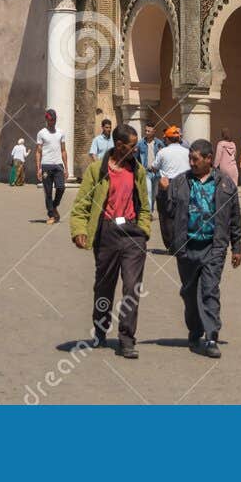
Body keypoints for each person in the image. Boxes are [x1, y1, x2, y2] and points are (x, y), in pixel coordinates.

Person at [70, 125, 151, 358]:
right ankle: (100, 328)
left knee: (132, 287)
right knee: (104, 286)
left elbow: (144, 205)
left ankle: (127, 339)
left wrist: (143, 230)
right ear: (119, 145)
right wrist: (79, 230)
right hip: (106, 233)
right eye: (132, 146)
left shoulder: (138, 170)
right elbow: (82, 204)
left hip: (132, 234)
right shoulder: (97, 170)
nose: (135, 150)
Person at [161, 139, 241, 357]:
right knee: (189, 293)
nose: (191, 163)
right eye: (190, 158)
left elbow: (235, 216)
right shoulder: (180, 182)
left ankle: (211, 337)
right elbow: (168, 213)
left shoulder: (225, 183)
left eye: (195, 159)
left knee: (209, 291)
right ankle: (195, 331)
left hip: (213, 247)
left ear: (208, 159)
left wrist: (236, 246)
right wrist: (162, 192)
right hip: (187, 247)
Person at [36, 109, 69, 224]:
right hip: (46, 165)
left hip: (58, 165)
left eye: (54, 120)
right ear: (46, 119)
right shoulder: (41, 133)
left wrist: (66, 168)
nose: (53, 122)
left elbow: (63, 150)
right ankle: (51, 215)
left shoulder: (60, 133)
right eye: (51, 120)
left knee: (61, 187)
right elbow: (38, 152)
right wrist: (38, 168)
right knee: (48, 192)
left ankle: (54, 206)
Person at [153, 125, 190, 219]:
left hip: (167, 186)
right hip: (184, 185)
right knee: (183, 214)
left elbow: (154, 167)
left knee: (166, 216)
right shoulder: (187, 152)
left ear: (167, 139)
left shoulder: (162, 152)